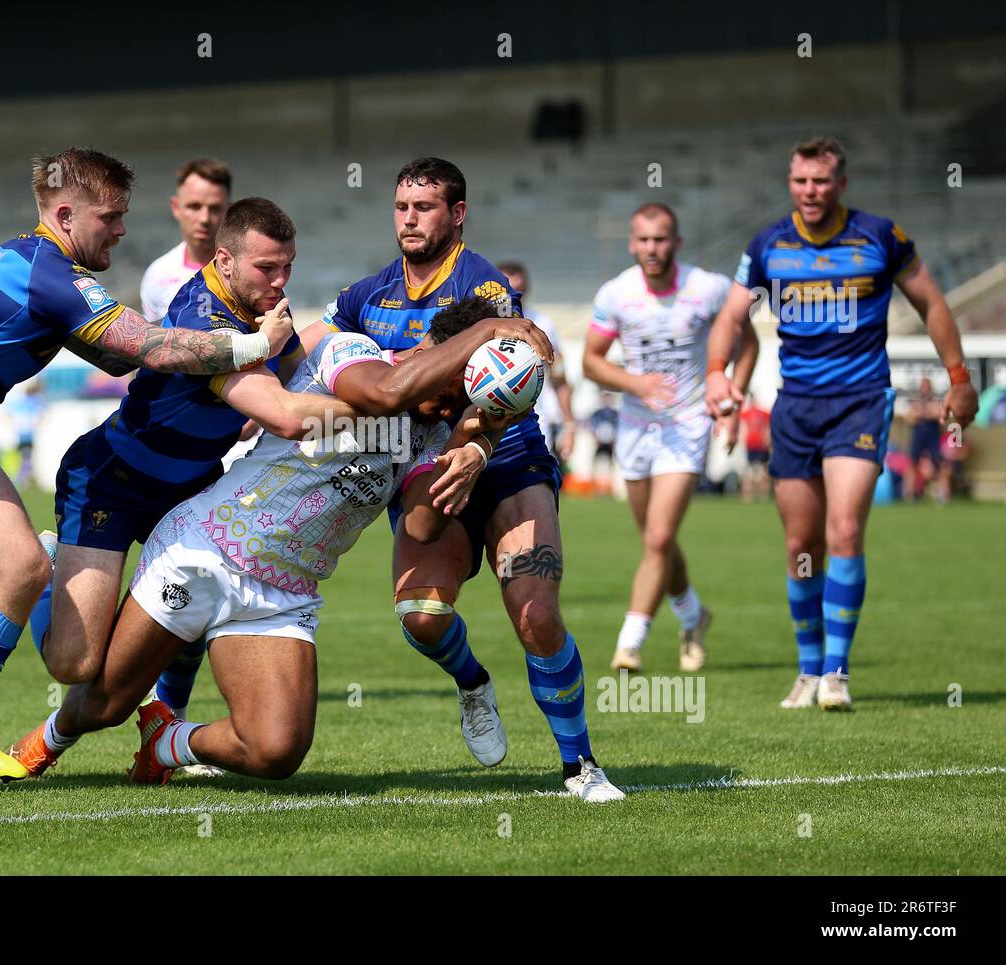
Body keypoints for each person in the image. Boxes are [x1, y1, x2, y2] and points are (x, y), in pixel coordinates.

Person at [13, 299, 622, 801]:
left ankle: (168, 743)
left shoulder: (436, 431)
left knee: (275, 751)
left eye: (464, 403)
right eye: (453, 392)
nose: (448, 408)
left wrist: (468, 449)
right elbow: (384, 394)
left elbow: (420, 527)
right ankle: (48, 731)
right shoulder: (351, 351)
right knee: (105, 701)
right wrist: (492, 326)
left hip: (283, 592)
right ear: (439, 356)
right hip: (206, 550)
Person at [0, 147, 293, 793]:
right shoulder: (49, 273)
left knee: (22, 567)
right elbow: (142, 346)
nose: (122, 229)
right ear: (67, 214)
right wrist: (252, 344)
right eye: (112, 216)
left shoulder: (42, 265)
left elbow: (121, 359)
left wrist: (175, 342)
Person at [149, 156, 607, 793]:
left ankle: (579, 765)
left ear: (458, 214)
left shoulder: (487, 291)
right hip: (418, 459)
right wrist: (252, 385)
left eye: (424, 207)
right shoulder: (371, 293)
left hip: (502, 459)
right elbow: (315, 342)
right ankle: (473, 682)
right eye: (401, 207)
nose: (410, 219)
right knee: (421, 615)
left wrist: (475, 449)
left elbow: (514, 373)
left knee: (533, 612)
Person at [26, 199, 352, 703]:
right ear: (225, 261)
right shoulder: (204, 315)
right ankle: (47, 571)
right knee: (77, 665)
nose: (280, 280)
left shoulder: (265, 310)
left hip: (188, 487)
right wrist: (381, 405)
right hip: (114, 483)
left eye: (288, 266)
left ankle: (165, 727)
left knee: (193, 605)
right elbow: (286, 414)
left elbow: (290, 375)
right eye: (267, 268)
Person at [705, 137, 979, 711]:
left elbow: (931, 302)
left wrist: (957, 376)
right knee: (801, 544)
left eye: (822, 181)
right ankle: (807, 669)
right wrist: (714, 371)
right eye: (801, 180)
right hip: (795, 407)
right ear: (790, 183)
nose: (811, 191)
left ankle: (836, 672)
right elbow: (732, 315)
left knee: (845, 531)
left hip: (860, 400)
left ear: (841, 185)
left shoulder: (881, 237)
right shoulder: (768, 246)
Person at [583, 202, 751, 673]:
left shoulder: (710, 289)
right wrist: (636, 384)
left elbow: (748, 342)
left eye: (661, 239)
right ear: (632, 243)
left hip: (689, 424)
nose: (652, 248)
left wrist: (731, 401)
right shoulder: (616, 293)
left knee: (658, 538)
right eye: (643, 239)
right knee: (657, 540)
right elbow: (591, 361)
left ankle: (629, 644)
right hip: (635, 426)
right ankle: (695, 617)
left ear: (677, 242)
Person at [496, 261, 576, 464]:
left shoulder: (542, 325)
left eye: (519, 291)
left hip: (534, 421)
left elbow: (559, 374)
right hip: (486, 418)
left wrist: (569, 424)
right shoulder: (478, 324)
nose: (512, 298)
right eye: (506, 291)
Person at [139, 158, 232, 323]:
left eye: (215, 208)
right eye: (194, 207)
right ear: (176, 207)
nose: (204, 218)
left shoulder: (250, 271)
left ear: (229, 211)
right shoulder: (157, 275)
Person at [904, 377, 943, 502]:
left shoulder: (936, 400)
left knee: (936, 464)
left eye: (927, 386)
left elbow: (939, 415)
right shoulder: (915, 401)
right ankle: (911, 494)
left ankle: (939, 494)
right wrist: (924, 413)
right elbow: (910, 418)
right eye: (923, 386)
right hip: (918, 437)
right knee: (912, 464)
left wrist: (923, 413)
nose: (925, 389)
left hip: (933, 436)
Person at [740, 393, 772, 500]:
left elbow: (767, 428)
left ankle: (761, 495)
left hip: (759, 445)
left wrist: (767, 440)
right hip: (752, 445)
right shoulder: (747, 413)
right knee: (752, 471)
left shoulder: (763, 413)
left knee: (761, 471)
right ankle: (751, 495)